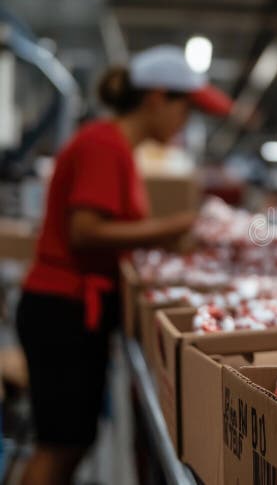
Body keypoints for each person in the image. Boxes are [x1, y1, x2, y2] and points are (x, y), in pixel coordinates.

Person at [16, 45, 232, 485]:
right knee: (59, 444)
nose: (185, 121)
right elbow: (85, 231)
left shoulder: (115, 145)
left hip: (73, 309)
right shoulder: (103, 144)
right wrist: (176, 225)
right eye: (185, 107)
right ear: (156, 97)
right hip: (64, 308)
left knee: (71, 441)